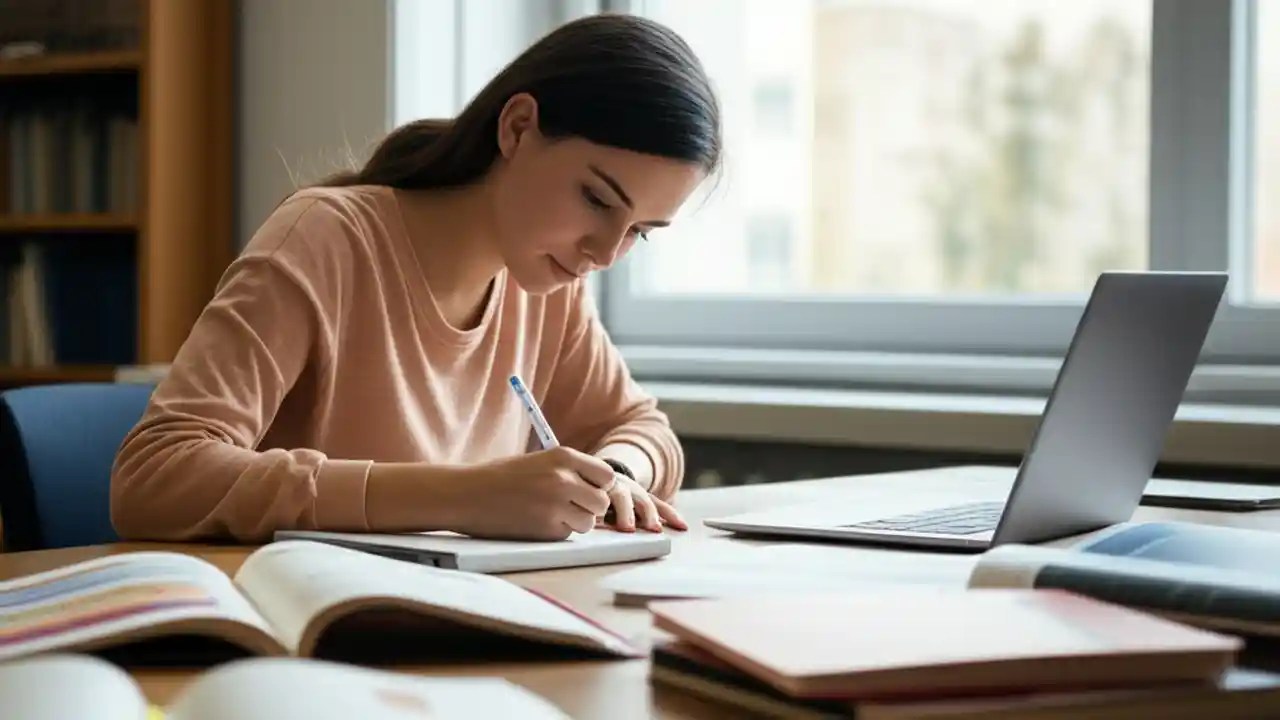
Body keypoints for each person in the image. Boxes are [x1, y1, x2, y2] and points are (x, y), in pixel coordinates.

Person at [109, 12, 721, 543]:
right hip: (298, 632)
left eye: (640, 231)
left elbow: (644, 430)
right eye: (595, 198)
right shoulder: (325, 240)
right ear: (516, 129)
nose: (606, 252)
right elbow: (155, 475)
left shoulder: (550, 283)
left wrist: (615, 474)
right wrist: (463, 496)